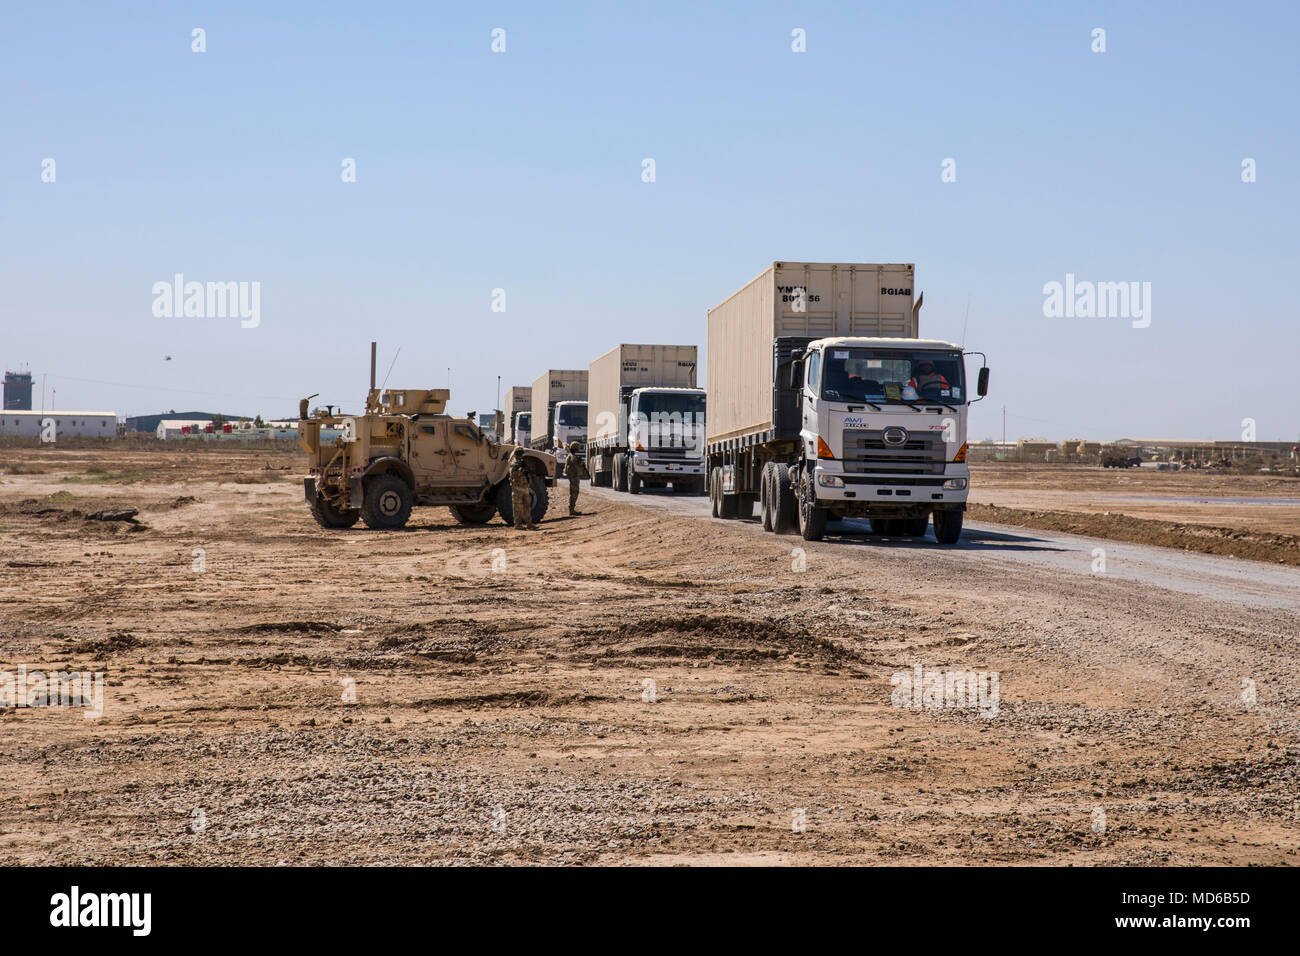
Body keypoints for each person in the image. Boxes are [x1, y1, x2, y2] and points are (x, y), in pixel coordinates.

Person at [508, 447, 536, 530]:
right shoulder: (514, 463)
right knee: (518, 507)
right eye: (520, 454)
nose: (521, 455)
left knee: (527, 506)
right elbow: (513, 475)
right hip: (517, 487)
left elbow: (527, 474)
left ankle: (529, 524)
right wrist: (521, 469)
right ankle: (517, 524)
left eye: (521, 454)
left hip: (524, 487)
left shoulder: (521, 462)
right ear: (516, 454)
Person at [563, 441, 588, 515]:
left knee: (573, 492)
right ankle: (572, 509)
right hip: (573, 477)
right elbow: (575, 466)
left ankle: (572, 509)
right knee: (574, 493)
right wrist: (580, 462)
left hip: (572, 476)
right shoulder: (572, 457)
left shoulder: (571, 456)